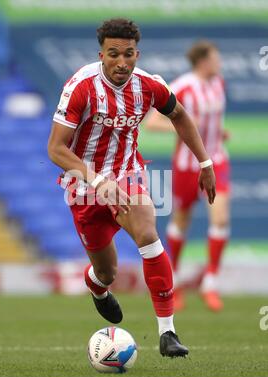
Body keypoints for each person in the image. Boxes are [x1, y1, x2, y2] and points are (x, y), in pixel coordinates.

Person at [48, 19, 216, 358]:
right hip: (84, 186)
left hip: (128, 176)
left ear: (137, 53)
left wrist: (205, 162)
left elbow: (180, 116)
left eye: (128, 54)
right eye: (114, 55)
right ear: (101, 55)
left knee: (148, 236)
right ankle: (97, 287)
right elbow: (56, 148)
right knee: (106, 272)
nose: (122, 63)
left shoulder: (149, 85)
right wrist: (96, 181)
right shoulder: (81, 86)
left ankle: (167, 332)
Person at [145, 40, 230, 312]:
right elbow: (153, 122)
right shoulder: (183, 86)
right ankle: (176, 282)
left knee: (221, 217)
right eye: (215, 58)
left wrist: (217, 132)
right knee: (182, 219)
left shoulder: (219, 84)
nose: (219, 63)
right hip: (186, 163)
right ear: (202, 61)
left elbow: (214, 120)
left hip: (216, 158)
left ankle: (211, 284)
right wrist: (184, 130)